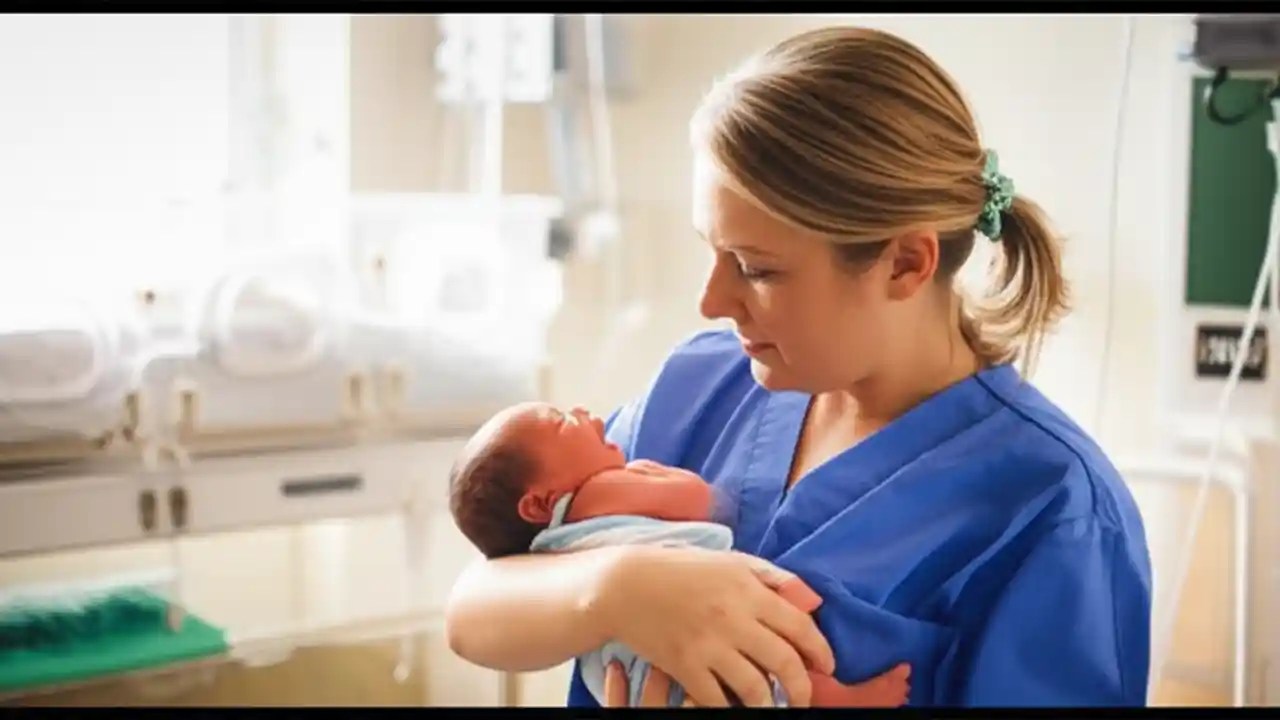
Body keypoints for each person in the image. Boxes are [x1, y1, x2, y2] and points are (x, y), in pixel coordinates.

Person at [444, 25, 1153, 708]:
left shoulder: (1053, 510)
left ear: (906, 262)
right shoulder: (694, 393)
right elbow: (475, 607)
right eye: (713, 252)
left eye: (755, 269)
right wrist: (619, 587)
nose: (711, 301)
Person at [446, 400, 912, 707]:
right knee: (771, 628)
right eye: (563, 421)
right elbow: (698, 501)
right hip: (659, 655)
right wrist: (651, 483)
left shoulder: (559, 535)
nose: (585, 413)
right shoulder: (598, 492)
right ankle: (835, 695)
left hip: (626, 676)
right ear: (540, 503)